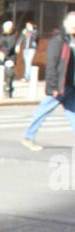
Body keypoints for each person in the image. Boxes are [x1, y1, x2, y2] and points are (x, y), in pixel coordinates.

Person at [20, 11, 75, 151]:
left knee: (73, 113)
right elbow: (52, 65)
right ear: (66, 24)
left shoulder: (71, 39)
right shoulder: (58, 40)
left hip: (70, 86)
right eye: (73, 25)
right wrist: (52, 87)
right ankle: (28, 136)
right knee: (43, 111)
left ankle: (28, 136)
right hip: (59, 85)